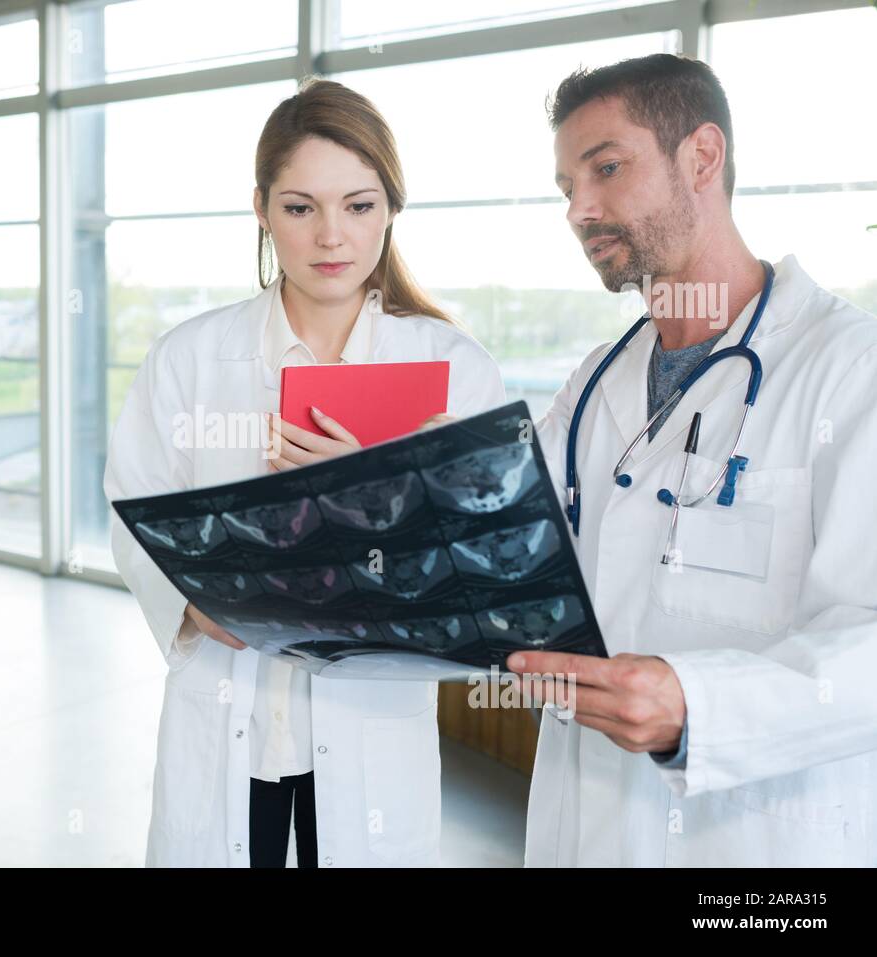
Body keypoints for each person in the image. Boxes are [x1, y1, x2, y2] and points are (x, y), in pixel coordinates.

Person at [104, 79, 507, 867]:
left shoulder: (452, 369)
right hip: (231, 712)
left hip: (369, 734)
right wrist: (193, 604)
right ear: (261, 208)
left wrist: (385, 500)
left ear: (391, 209)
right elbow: (132, 510)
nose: (332, 237)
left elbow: (481, 573)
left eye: (359, 206)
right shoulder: (189, 359)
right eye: (300, 207)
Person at [510, 54, 877, 866]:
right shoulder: (596, 383)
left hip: (754, 855)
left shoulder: (852, 372)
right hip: (586, 828)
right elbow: (519, 549)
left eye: (606, 168)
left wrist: (698, 705)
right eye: (566, 185)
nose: (580, 208)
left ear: (702, 157)